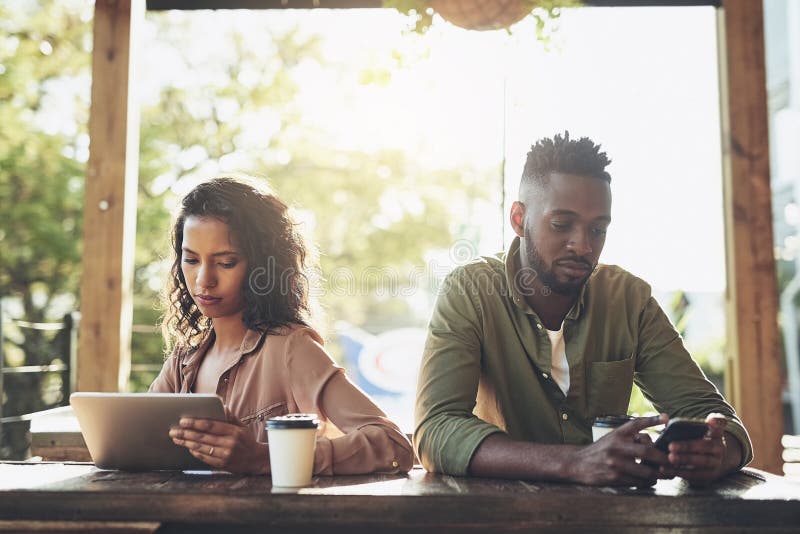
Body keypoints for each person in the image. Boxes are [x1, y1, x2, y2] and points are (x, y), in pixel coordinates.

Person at [414, 132, 752, 486]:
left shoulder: (629, 300)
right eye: (562, 225)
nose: (583, 245)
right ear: (518, 219)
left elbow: (713, 417)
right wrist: (574, 463)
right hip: (501, 517)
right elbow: (436, 429)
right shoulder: (471, 291)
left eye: (598, 229)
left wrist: (717, 452)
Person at [151, 175, 413, 475]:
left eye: (226, 263)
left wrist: (269, 458)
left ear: (263, 267)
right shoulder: (182, 362)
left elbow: (395, 447)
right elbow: (134, 441)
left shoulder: (291, 349)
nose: (203, 280)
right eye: (191, 260)